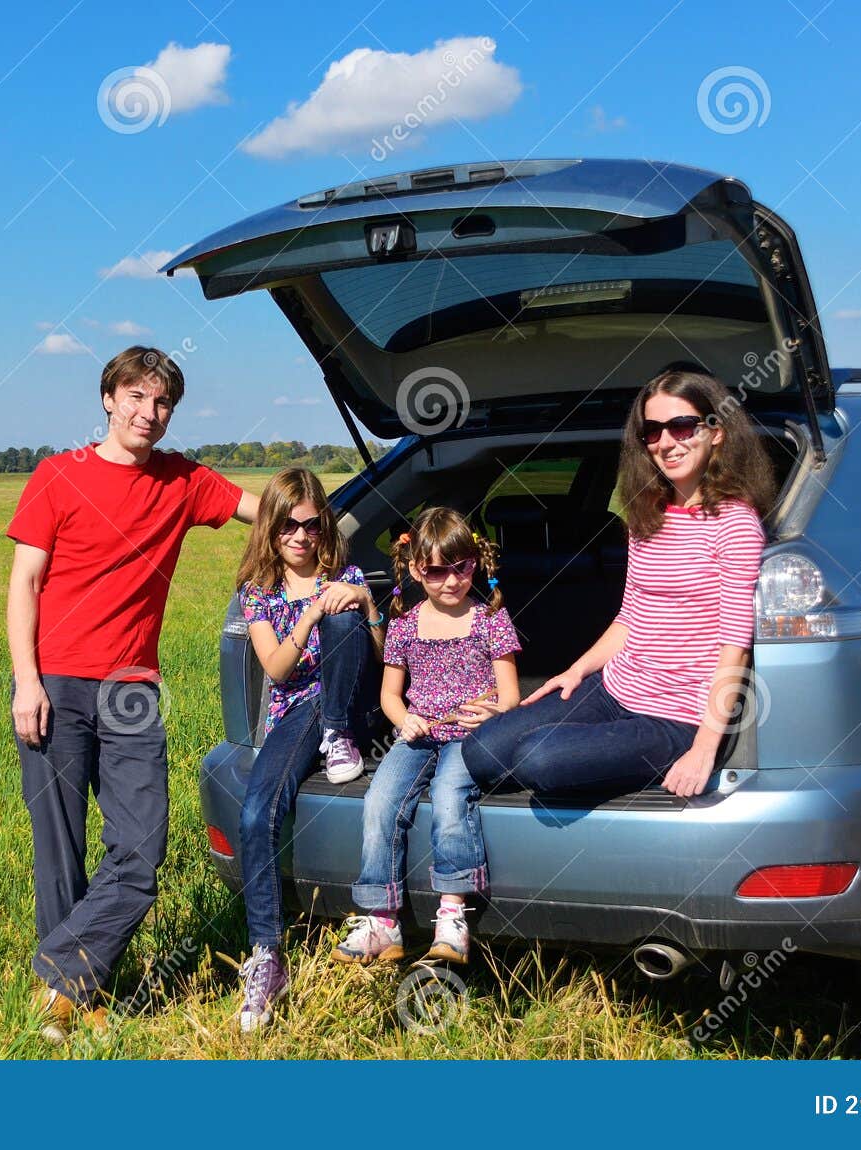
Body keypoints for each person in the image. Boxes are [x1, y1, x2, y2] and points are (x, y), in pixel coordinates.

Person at [6, 346, 259, 1042]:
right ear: (110, 399)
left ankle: (58, 967)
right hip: (55, 678)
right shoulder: (58, 477)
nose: (150, 413)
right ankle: (73, 1000)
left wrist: (324, 530)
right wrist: (27, 682)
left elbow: (262, 511)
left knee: (141, 853)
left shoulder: (183, 481)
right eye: (138, 397)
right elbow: (25, 584)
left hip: (131, 690)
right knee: (61, 848)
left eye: (163, 402)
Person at [461, 366, 774, 800]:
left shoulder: (735, 524)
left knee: (539, 759)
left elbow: (734, 646)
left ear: (715, 431)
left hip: (675, 718)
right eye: (653, 431)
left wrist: (705, 747)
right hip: (614, 688)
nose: (666, 442)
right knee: (480, 752)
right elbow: (629, 616)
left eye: (681, 426)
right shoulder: (648, 517)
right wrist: (575, 671)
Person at [333, 508, 520, 968]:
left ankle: (452, 912)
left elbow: (512, 695)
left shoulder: (491, 619)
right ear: (417, 569)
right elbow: (391, 695)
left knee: (450, 794)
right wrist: (404, 722)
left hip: (469, 735)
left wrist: (494, 710)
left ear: (475, 563)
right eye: (437, 570)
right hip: (419, 733)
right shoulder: (403, 626)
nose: (451, 580)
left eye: (462, 567)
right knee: (380, 799)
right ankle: (382, 918)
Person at [233, 467, 383, 1032]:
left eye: (310, 524)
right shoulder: (257, 593)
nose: (299, 537)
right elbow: (275, 667)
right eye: (286, 527)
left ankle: (339, 733)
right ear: (269, 529)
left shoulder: (342, 573)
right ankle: (267, 957)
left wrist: (365, 603)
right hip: (296, 711)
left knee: (347, 626)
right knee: (256, 811)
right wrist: (313, 614)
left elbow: (384, 656)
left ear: (323, 525)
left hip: (354, 705)